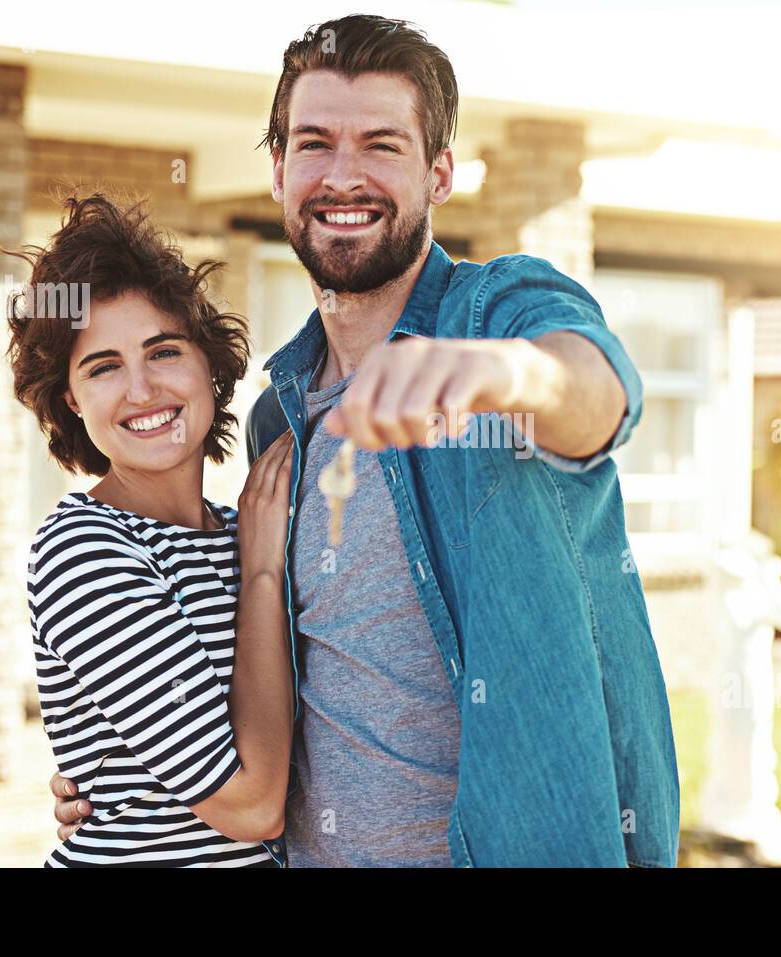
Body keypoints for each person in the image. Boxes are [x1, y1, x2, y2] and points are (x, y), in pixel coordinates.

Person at [53, 14, 680, 867]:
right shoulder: (281, 423)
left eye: (381, 144)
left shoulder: (495, 314)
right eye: (314, 143)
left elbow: (598, 390)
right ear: (278, 171)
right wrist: (122, 777)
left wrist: (494, 376)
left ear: (440, 173)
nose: (342, 175)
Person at [8, 194, 296, 866]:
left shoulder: (246, 528)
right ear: (72, 400)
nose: (141, 389)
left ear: (209, 365)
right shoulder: (84, 551)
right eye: (103, 366)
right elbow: (252, 806)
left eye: (163, 351)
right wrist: (260, 573)